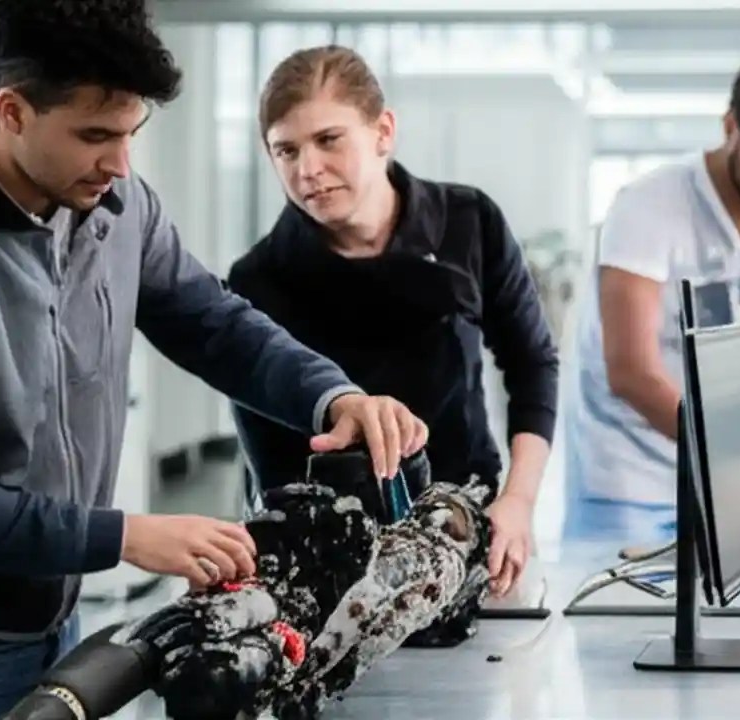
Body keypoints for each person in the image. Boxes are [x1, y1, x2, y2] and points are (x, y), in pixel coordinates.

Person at [0, 2, 425, 717]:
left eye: (130, 133)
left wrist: (332, 397)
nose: (119, 165)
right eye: (94, 136)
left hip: (54, 622)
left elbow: (214, 325)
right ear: (12, 112)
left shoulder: (118, 206)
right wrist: (125, 536)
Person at [227, 46, 559, 600]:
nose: (307, 170)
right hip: (326, 549)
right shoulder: (258, 280)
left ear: (382, 132)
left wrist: (519, 502)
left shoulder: (469, 222)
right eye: (286, 150)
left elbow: (533, 363)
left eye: (328, 140)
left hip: (466, 524)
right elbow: (274, 471)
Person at [561, 48, 740, 543]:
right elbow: (631, 372)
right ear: (731, 126)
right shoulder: (647, 206)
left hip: (728, 473)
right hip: (628, 476)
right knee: (627, 596)